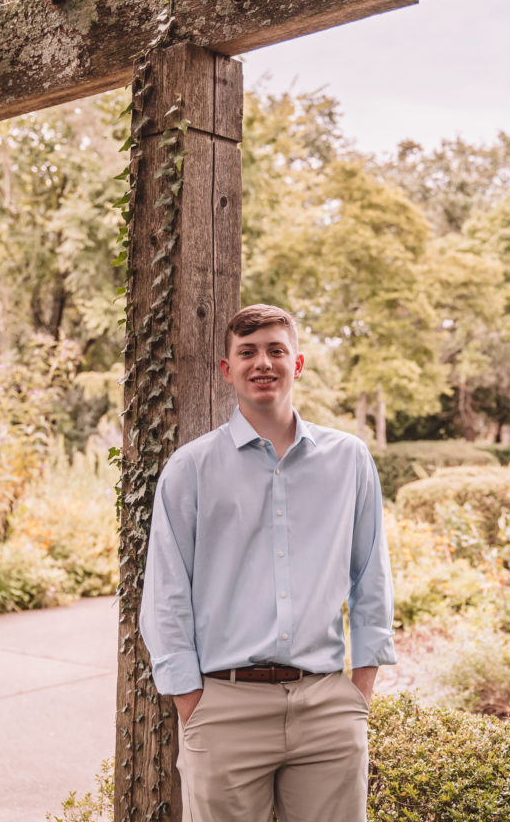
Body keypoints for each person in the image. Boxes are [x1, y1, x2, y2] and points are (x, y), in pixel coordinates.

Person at [140, 303, 396, 822]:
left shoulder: (349, 460)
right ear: (227, 369)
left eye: (276, 350)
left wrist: (360, 691)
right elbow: (166, 593)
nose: (263, 363)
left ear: (297, 364)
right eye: (248, 352)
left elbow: (371, 576)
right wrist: (193, 705)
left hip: (327, 706)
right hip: (224, 709)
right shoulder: (191, 469)